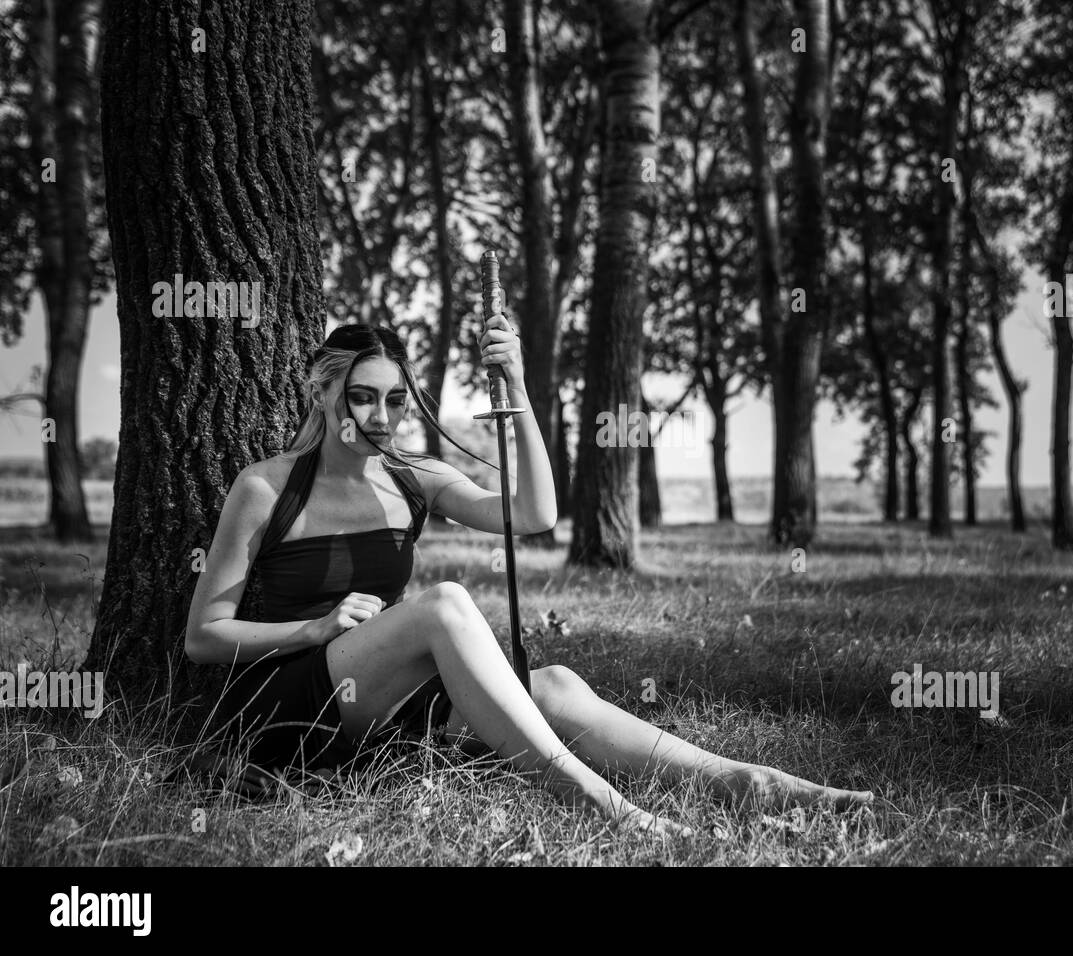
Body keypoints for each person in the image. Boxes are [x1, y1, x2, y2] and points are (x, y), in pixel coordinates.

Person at [185, 319, 873, 836]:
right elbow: (204, 637)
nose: (381, 418)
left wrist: (515, 386)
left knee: (555, 686)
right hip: (284, 708)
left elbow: (534, 513)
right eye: (362, 397)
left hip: (380, 701)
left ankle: (751, 782)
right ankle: (609, 809)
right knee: (446, 604)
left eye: (396, 401)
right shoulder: (265, 489)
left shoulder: (412, 477)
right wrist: (316, 626)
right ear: (322, 389)